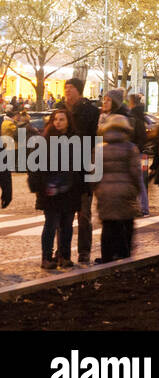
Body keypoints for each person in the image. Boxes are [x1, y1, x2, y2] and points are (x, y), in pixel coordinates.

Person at [30, 108, 83, 269]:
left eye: (62, 119)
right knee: (51, 224)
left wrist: (83, 186)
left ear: (68, 122)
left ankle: (64, 256)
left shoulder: (76, 140)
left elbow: (81, 166)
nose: (58, 122)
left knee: (67, 225)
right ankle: (46, 257)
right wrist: (39, 186)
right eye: (56, 119)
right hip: (51, 190)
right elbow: (35, 166)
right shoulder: (45, 140)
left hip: (70, 190)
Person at [95, 114, 142, 263]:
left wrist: (97, 190)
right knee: (126, 223)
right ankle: (125, 254)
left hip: (105, 192)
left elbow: (94, 173)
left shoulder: (100, 148)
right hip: (125, 192)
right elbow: (135, 172)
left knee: (108, 225)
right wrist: (138, 189)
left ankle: (107, 256)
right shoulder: (130, 148)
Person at [65, 78, 100, 264]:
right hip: (64, 170)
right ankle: (63, 252)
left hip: (84, 170)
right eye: (66, 88)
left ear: (79, 91)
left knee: (84, 215)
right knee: (64, 216)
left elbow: (94, 141)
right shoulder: (61, 111)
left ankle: (84, 251)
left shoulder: (90, 112)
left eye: (71, 88)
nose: (67, 91)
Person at [127, 92, 151, 218]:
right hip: (139, 150)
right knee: (139, 180)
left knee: (137, 180)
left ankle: (142, 207)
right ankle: (142, 207)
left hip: (134, 151)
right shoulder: (141, 115)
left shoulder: (133, 116)